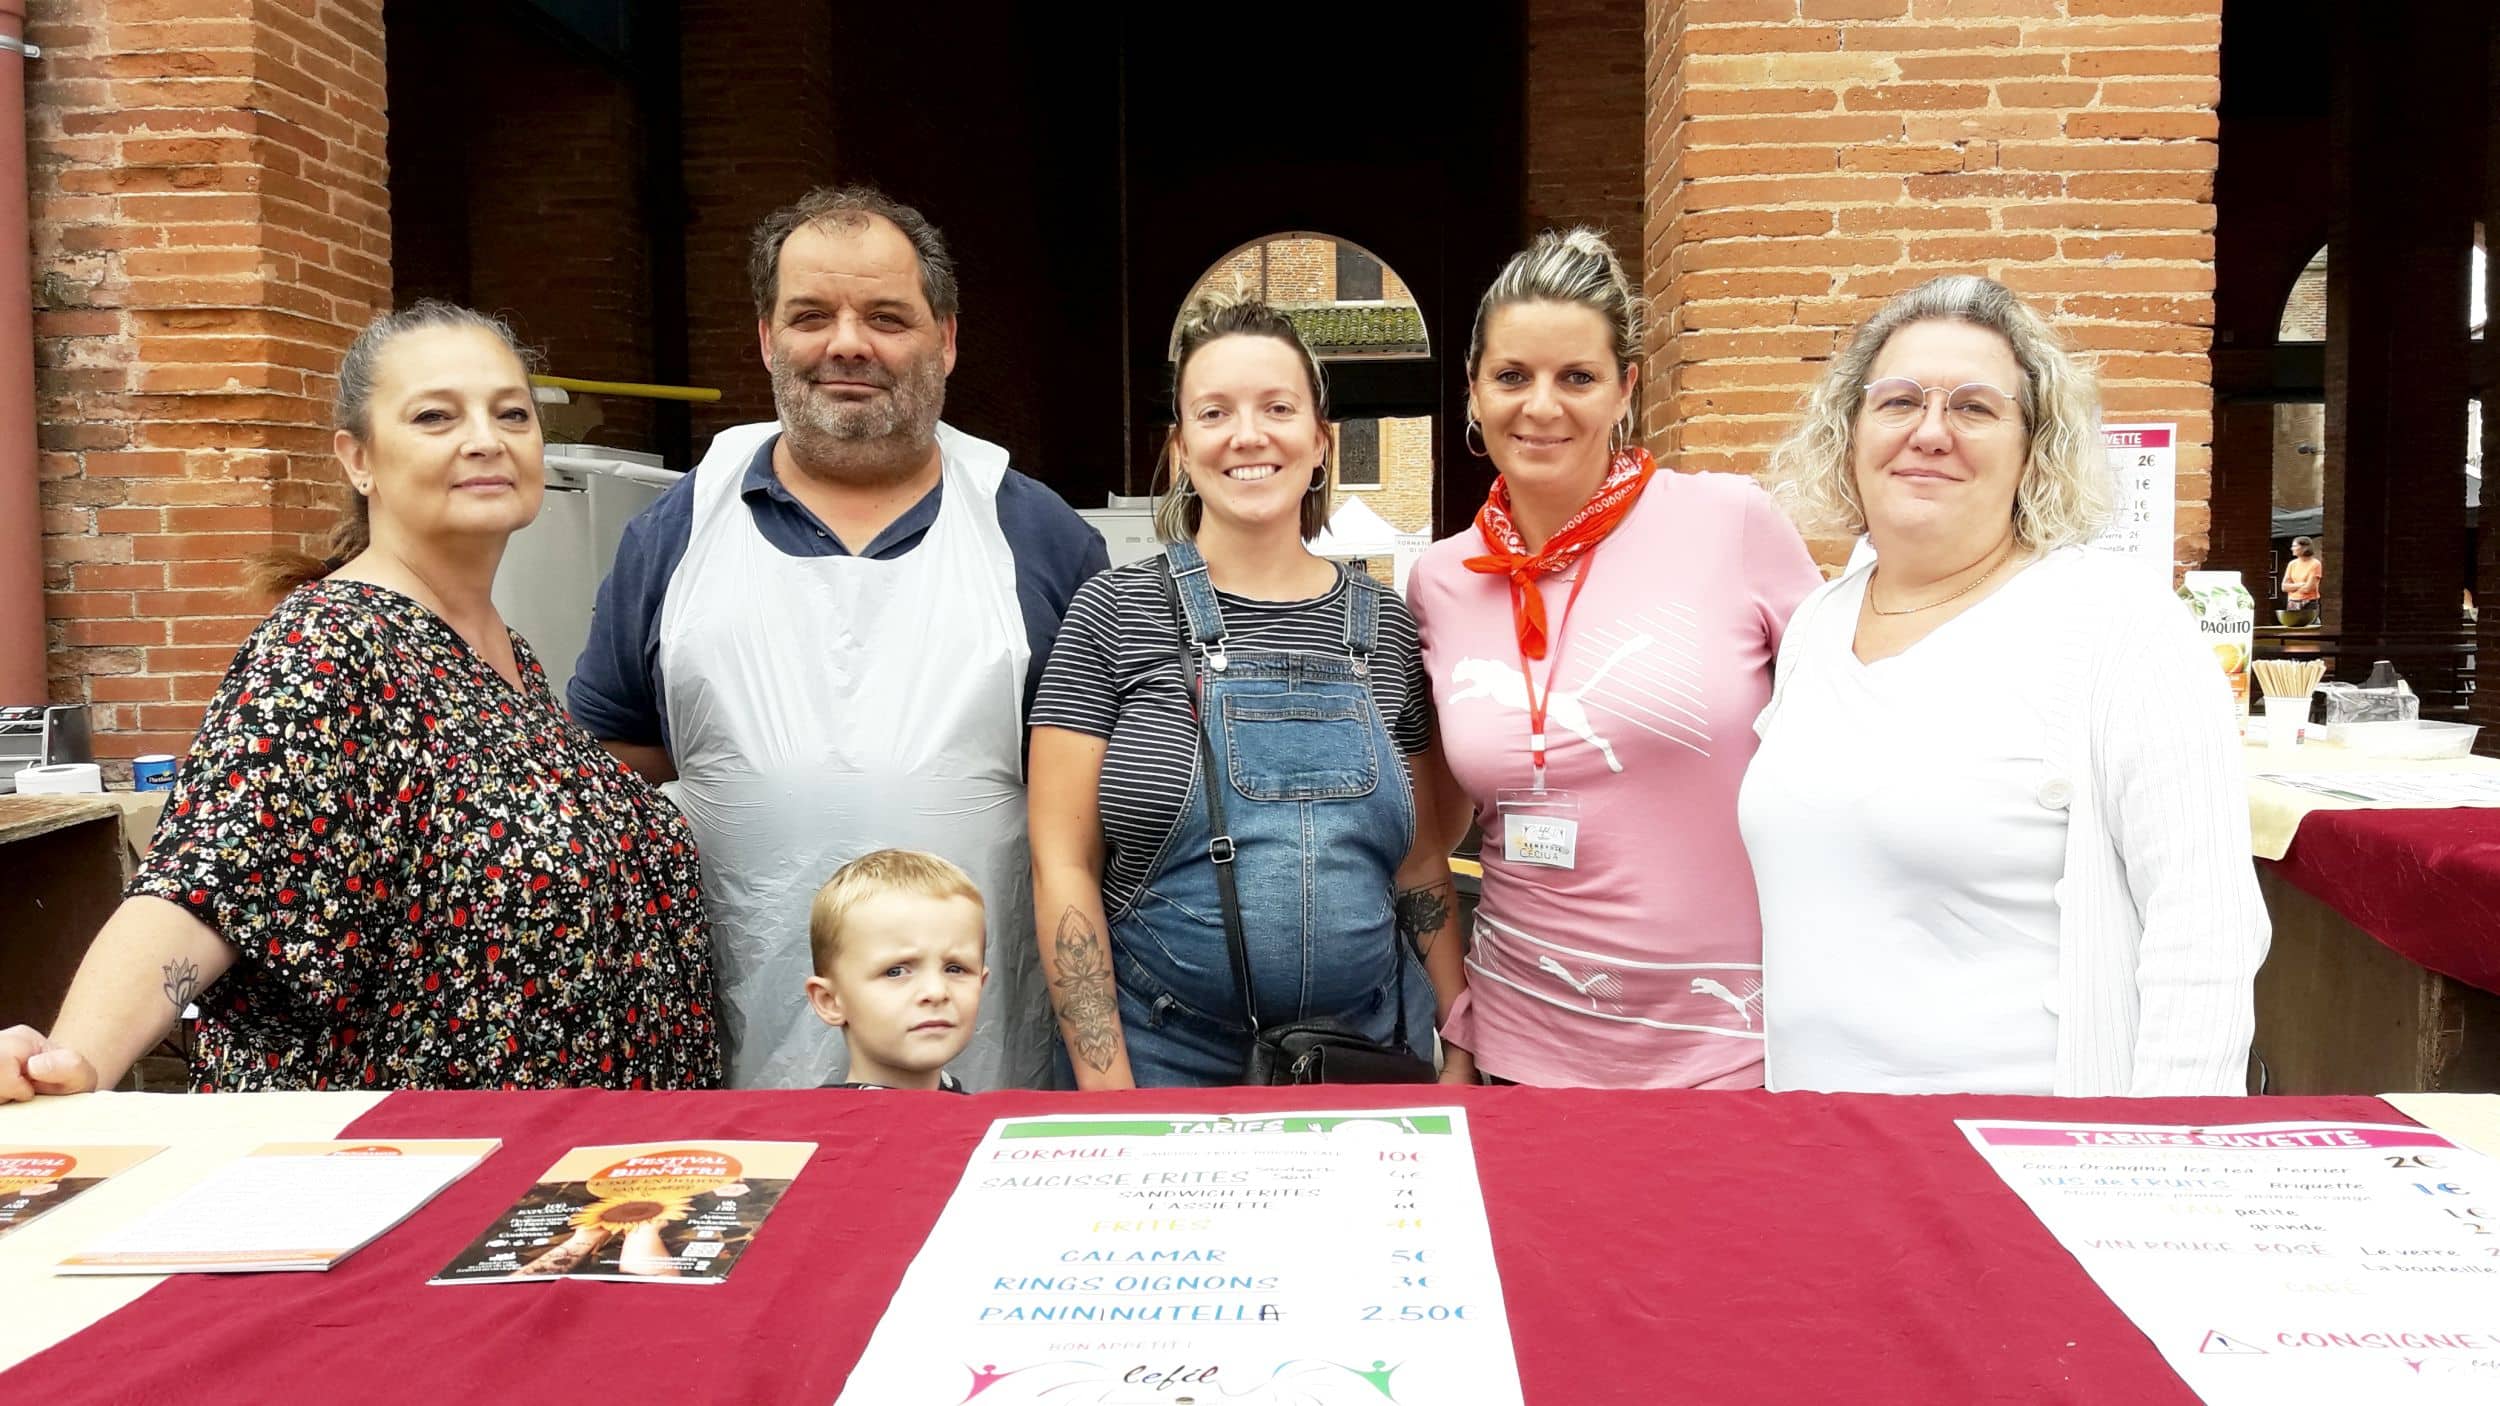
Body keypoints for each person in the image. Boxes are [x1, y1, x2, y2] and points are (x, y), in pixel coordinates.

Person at [0, 302, 720, 1102]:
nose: (485, 438)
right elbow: (206, 886)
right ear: (359, 460)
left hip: (564, 1168)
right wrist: (76, 1065)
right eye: (435, 416)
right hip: (420, 1172)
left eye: (511, 412)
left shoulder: (505, 656)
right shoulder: (329, 647)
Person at [568, 186, 1108, 1090]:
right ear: (768, 339)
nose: (847, 343)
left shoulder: (1038, 536)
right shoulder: (677, 531)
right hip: (737, 1045)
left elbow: (1098, 814)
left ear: (946, 338)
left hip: (988, 1057)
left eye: (886, 317)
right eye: (811, 315)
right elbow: (607, 765)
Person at [1743, 274, 2268, 1097]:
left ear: (2036, 446)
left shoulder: (2119, 629)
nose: (1930, 432)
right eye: (1898, 401)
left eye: (1976, 408)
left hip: (2027, 1158)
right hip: (1816, 1143)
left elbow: (2203, 932)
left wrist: (2171, 1158)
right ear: (1848, 433)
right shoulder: (1817, 622)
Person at [1405, 229, 1820, 1088]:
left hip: (1730, 1051)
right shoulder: (1440, 579)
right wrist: (1457, 1022)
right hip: (1520, 1044)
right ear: (1473, 392)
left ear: (1626, 388)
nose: (1542, 406)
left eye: (1577, 377)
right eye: (1513, 376)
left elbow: (1847, 745)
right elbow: (1431, 831)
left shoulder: (1731, 524)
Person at [1027, 293, 1465, 1088]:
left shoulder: (1390, 626)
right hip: (1158, 1058)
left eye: (1277, 407)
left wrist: (1459, 1038)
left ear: (1320, 441)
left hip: (1363, 1059)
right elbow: (1063, 864)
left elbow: (1421, 866)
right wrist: (1105, 1084)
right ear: (1181, 451)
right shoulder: (1113, 612)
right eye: (1215, 412)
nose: (1248, 434)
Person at [802, 849, 986, 1092]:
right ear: (830, 1001)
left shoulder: (987, 1122)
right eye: (896, 971)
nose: (936, 991)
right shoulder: (815, 1127)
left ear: (981, 984)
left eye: (955, 968)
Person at [2281, 536, 2321, 619]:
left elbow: (2307, 589)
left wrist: (2292, 587)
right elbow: (2284, 587)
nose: (2292, 548)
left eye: (2295, 546)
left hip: (2309, 603)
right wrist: (2300, 584)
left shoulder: (2315, 564)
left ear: (2305, 547)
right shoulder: (2292, 564)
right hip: (2292, 603)